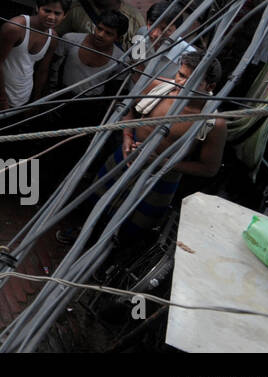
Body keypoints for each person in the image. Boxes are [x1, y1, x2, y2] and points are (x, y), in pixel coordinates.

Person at [59, 50, 225, 245]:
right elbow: (126, 109)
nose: (181, 83)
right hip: (127, 156)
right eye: (181, 75)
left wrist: (162, 162)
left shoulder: (213, 122)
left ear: (210, 86)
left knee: (134, 223)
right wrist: (127, 137)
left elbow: (209, 168)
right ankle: (82, 234)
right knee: (99, 198)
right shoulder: (158, 87)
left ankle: (108, 258)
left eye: (192, 80)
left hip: (162, 176)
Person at [0, 0, 70, 114]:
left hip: (22, 98)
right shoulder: (15, 28)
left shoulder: (53, 38)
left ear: (65, 15)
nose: (51, 17)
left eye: (57, 13)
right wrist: (2, 98)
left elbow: (42, 71)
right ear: (37, 8)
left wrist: (36, 100)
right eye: (47, 11)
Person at [49, 11, 128, 98]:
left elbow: (114, 88)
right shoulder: (70, 39)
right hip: (61, 95)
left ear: (118, 38)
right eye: (99, 29)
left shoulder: (121, 59)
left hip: (92, 104)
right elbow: (52, 67)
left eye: (108, 33)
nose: (100, 35)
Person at [127, 0, 194, 83]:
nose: (155, 34)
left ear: (178, 30)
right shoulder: (141, 34)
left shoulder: (188, 56)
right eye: (152, 25)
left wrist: (146, 80)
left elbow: (180, 87)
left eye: (164, 29)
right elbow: (135, 65)